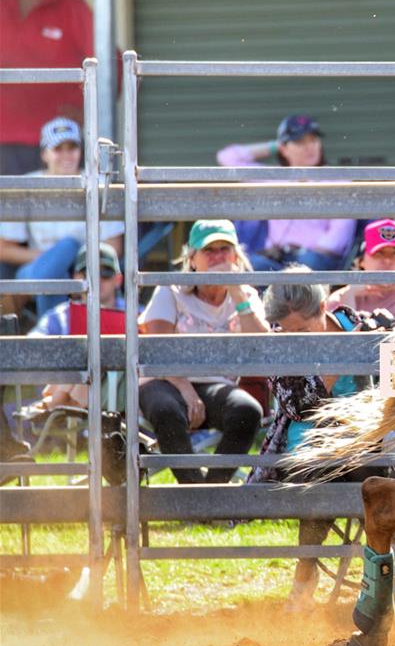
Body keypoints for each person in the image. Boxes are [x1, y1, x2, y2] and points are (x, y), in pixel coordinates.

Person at [258, 271, 395, 614]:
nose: (295, 339)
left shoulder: (354, 323)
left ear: (324, 307)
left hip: (366, 440)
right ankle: (385, 583)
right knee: (324, 472)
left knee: (372, 473)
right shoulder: (281, 345)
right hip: (309, 443)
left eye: (303, 330)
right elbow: (300, 407)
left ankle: (394, 580)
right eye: (286, 331)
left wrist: (383, 336)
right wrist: (346, 353)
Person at [139, 220, 267, 484]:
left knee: (248, 411)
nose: (218, 256)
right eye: (209, 250)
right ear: (192, 258)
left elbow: (263, 347)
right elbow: (156, 349)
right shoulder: (171, 290)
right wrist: (185, 389)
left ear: (236, 256)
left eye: (224, 249)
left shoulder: (246, 296)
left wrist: (238, 295)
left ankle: (213, 492)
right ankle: (193, 492)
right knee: (166, 409)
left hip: (216, 385)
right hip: (164, 380)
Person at [1, 118, 124, 316]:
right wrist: (57, 258)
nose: (66, 155)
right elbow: (4, 249)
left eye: (72, 147)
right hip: (36, 268)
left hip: (89, 269)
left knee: (63, 258)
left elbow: (114, 246)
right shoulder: (25, 185)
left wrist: (72, 260)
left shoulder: (99, 183)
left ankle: (51, 339)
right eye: (58, 149)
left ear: (80, 151)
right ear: (44, 154)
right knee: (63, 252)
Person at [216, 113, 357, 270]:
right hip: (276, 257)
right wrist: (274, 146)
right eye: (299, 141)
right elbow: (228, 157)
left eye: (313, 140)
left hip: (316, 258)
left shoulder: (337, 179)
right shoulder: (273, 177)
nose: (309, 147)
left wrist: (304, 253)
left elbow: (338, 237)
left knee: (305, 267)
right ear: (284, 148)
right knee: (252, 266)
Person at [0, 0, 94, 175]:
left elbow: (110, 65)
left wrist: (89, 111)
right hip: (4, 137)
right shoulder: (2, 8)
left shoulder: (73, 7)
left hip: (59, 142)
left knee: (59, 209)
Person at [29, 243, 124, 411]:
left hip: (122, 394)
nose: (97, 279)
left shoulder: (138, 315)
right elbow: (30, 347)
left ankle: (52, 405)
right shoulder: (59, 317)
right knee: (80, 353)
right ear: (75, 278)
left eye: (105, 272)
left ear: (118, 279)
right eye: (88, 272)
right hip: (80, 396)